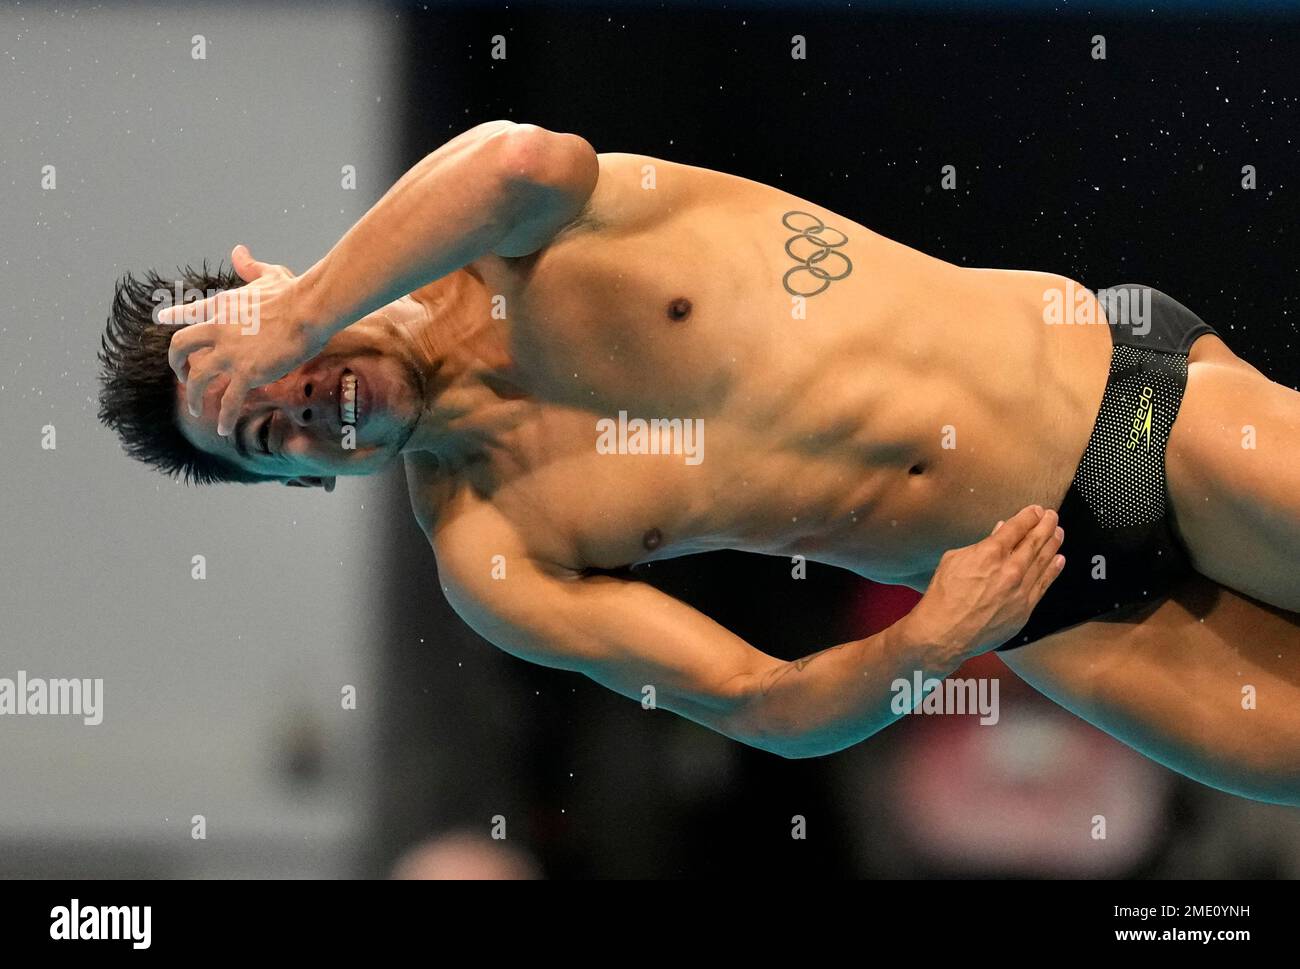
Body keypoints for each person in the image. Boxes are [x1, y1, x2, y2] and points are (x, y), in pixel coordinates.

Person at [98, 121, 1300, 804]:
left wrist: (301, 310)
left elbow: (520, 160)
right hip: (1049, 607)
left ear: (284, 295)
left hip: (1121, 409)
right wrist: (930, 644)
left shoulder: (521, 243)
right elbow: (761, 709)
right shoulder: (493, 549)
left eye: (282, 371)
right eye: (275, 438)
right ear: (307, 487)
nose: (312, 407)